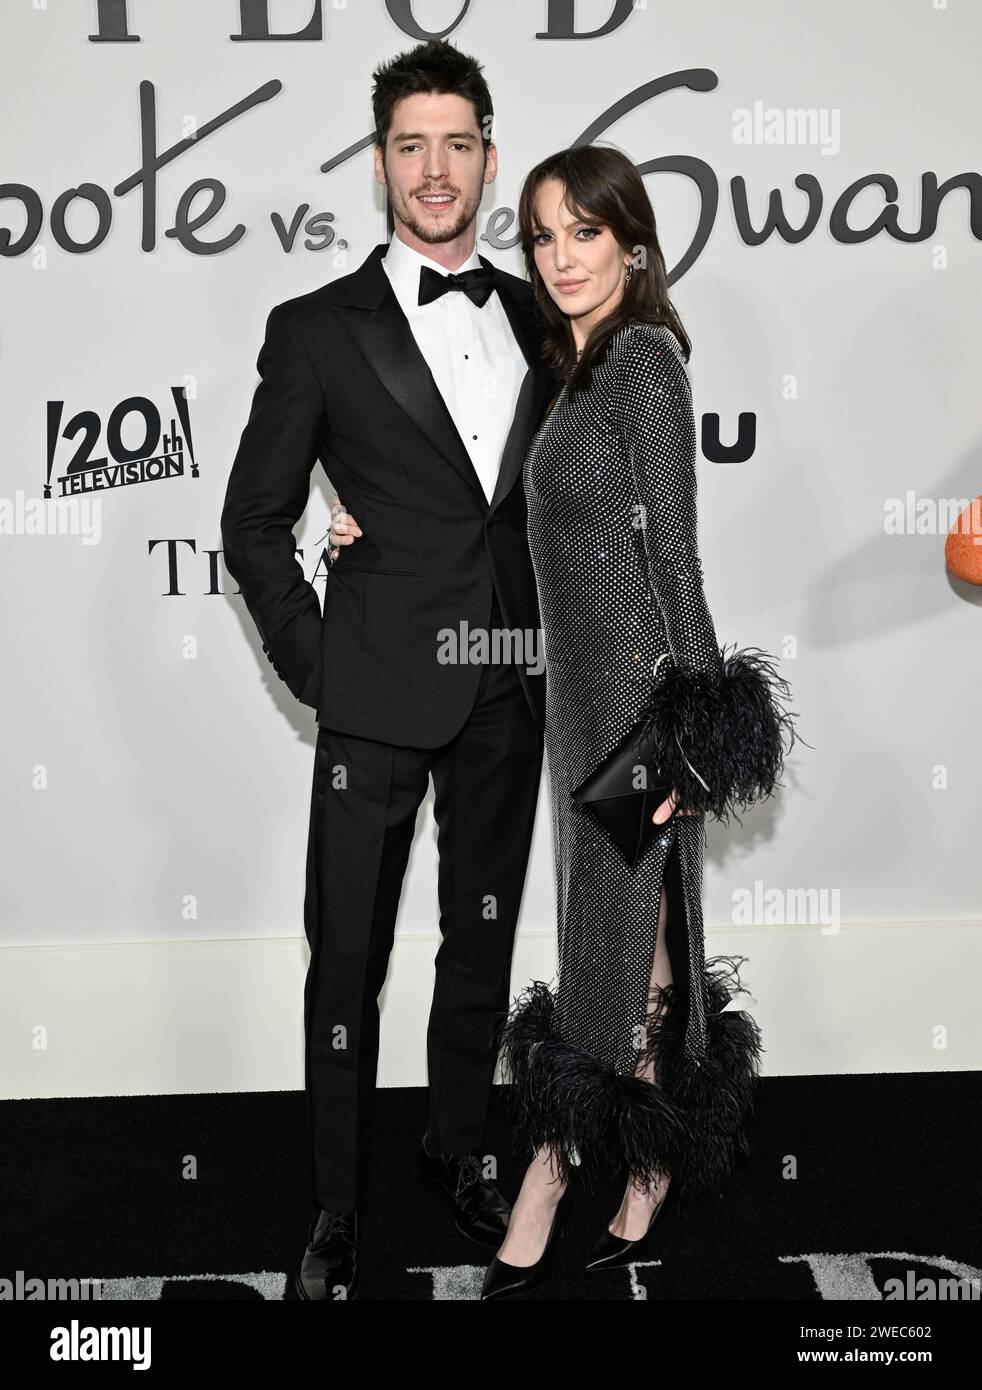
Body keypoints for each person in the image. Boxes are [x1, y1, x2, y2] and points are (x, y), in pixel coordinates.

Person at [220, 38, 555, 1301]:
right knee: (346, 954)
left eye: (456, 143)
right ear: (379, 165)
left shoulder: (542, 312)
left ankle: (459, 1146)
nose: (434, 168)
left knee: (478, 940)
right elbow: (252, 525)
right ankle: (335, 1201)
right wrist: (322, 665)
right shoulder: (314, 331)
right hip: (376, 690)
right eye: (410, 145)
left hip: (508, 680)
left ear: (486, 155)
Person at [474, 145, 802, 1299]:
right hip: (583, 707)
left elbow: (676, 557)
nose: (560, 258)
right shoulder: (576, 365)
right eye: (542, 237)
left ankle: (549, 1178)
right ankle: (651, 1162)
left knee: (605, 941)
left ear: (633, 243)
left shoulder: (645, 365)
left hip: (635, 717)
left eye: (584, 233)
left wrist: (700, 733)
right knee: (647, 932)